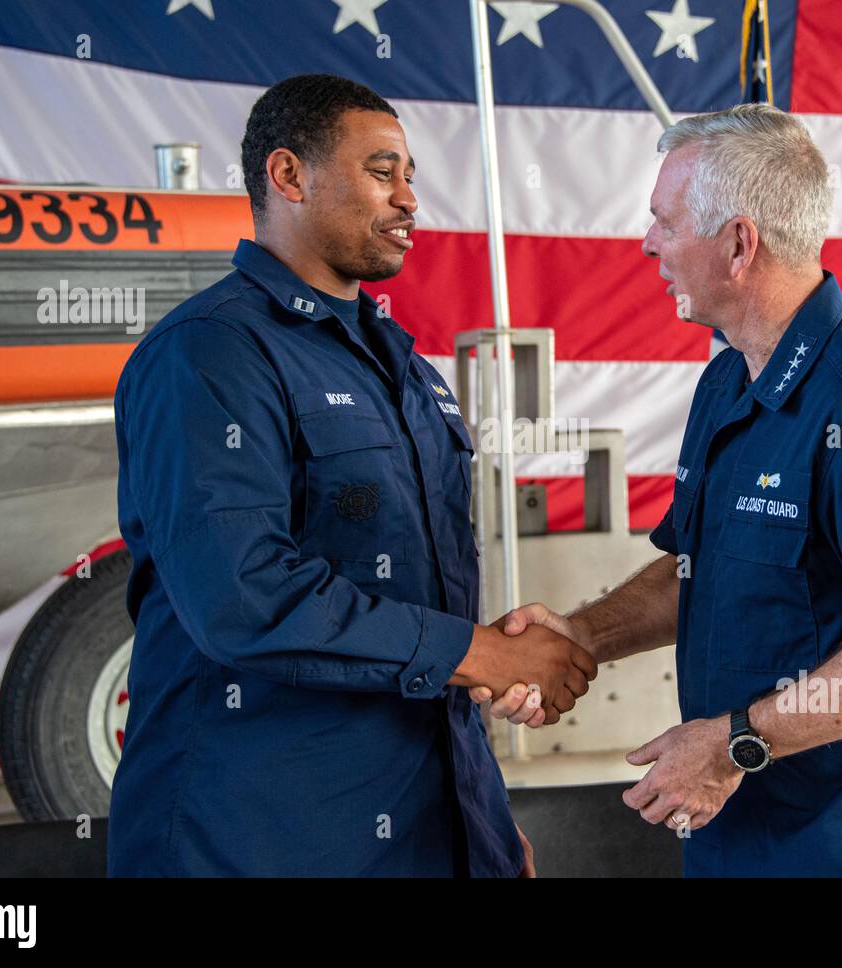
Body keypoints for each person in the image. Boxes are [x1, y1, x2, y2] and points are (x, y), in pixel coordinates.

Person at [474, 103, 842, 876]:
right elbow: (702, 570)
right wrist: (582, 637)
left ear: (738, 243)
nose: (647, 241)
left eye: (664, 221)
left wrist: (734, 744)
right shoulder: (727, 382)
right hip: (738, 834)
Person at [107, 74, 595, 877]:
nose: (408, 200)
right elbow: (243, 596)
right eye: (381, 171)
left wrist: (483, 823)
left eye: (411, 177)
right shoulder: (209, 355)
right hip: (257, 841)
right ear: (289, 176)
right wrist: (478, 653)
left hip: (423, 832)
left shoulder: (403, 366)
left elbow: (423, 616)